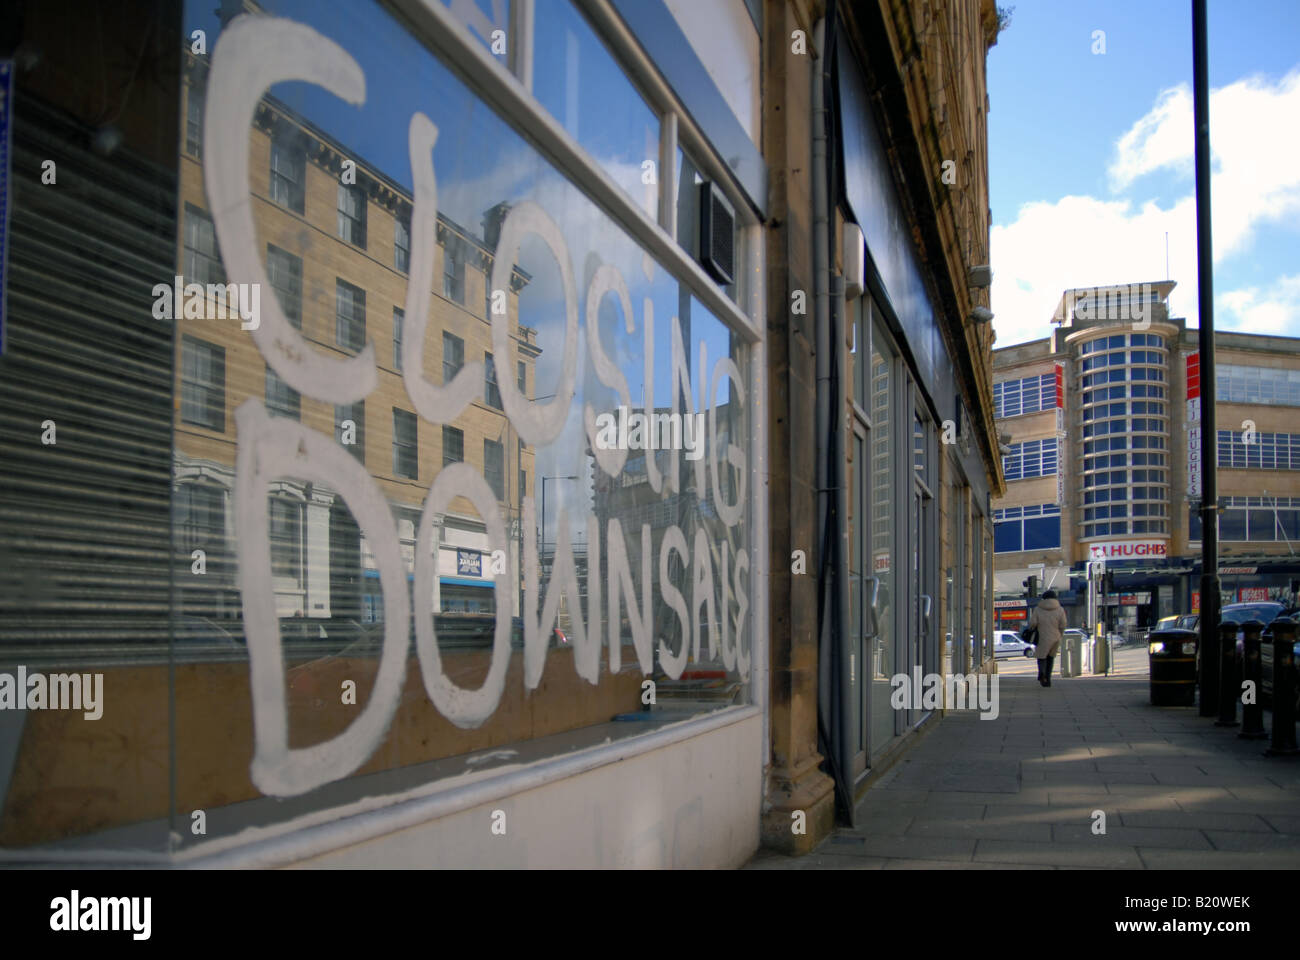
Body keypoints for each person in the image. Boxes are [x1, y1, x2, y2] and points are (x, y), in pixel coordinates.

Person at [1028, 589, 1067, 687]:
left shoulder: (1038, 609)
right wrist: (1060, 634)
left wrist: (1034, 628)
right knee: (1051, 658)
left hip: (1042, 637)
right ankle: (1048, 679)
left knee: (1041, 657)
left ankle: (1042, 673)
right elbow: (1063, 624)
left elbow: (1033, 623)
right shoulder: (1060, 609)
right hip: (1055, 637)